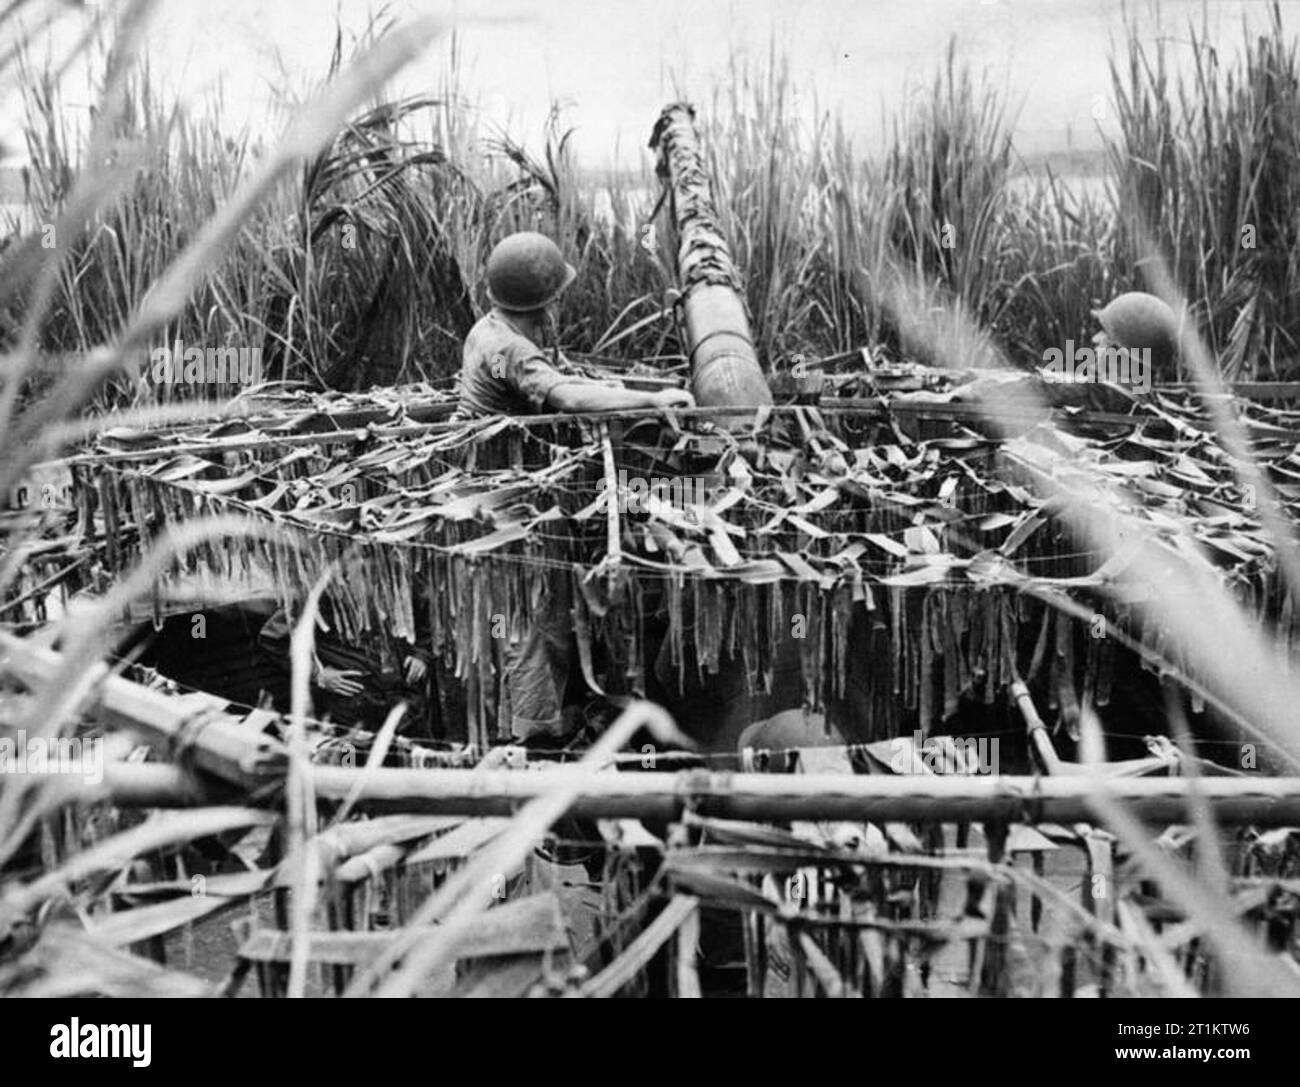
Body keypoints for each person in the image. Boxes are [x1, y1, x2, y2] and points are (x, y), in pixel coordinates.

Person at [458, 232, 694, 743]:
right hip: (509, 517)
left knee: (528, 621)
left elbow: (546, 382)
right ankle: (532, 741)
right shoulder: (511, 348)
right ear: (544, 300)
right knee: (529, 629)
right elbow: (562, 395)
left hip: (492, 502)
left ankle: (537, 724)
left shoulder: (488, 329)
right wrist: (647, 403)